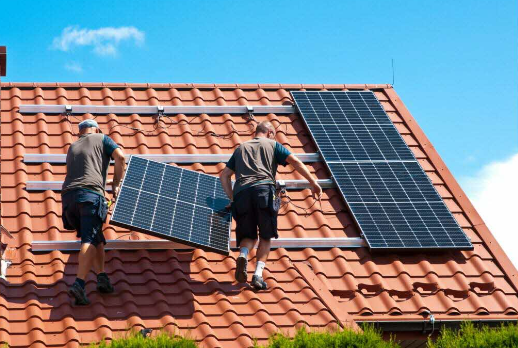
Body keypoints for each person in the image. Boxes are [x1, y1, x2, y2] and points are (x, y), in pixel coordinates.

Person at [219, 121, 322, 290]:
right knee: (265, 236)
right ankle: (258, 275)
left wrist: (233, 199)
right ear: (269, 133)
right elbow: (295, 161)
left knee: (249, 235)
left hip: (242, 193)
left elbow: (224, 176)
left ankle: (243, 254)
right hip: (264, 191)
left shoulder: (240, 149)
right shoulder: (273, 145)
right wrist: (313, 182)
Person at [61, 119, 125, 305]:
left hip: (69, 199)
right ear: (96, 129)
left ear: (80, 132)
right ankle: (79, 284)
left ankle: (102, 277)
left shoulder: (72, 146)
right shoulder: (102, 138)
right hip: (90, 195)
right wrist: (116, 184)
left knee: (96, 235)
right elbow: (120, 157)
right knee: (88, 238)